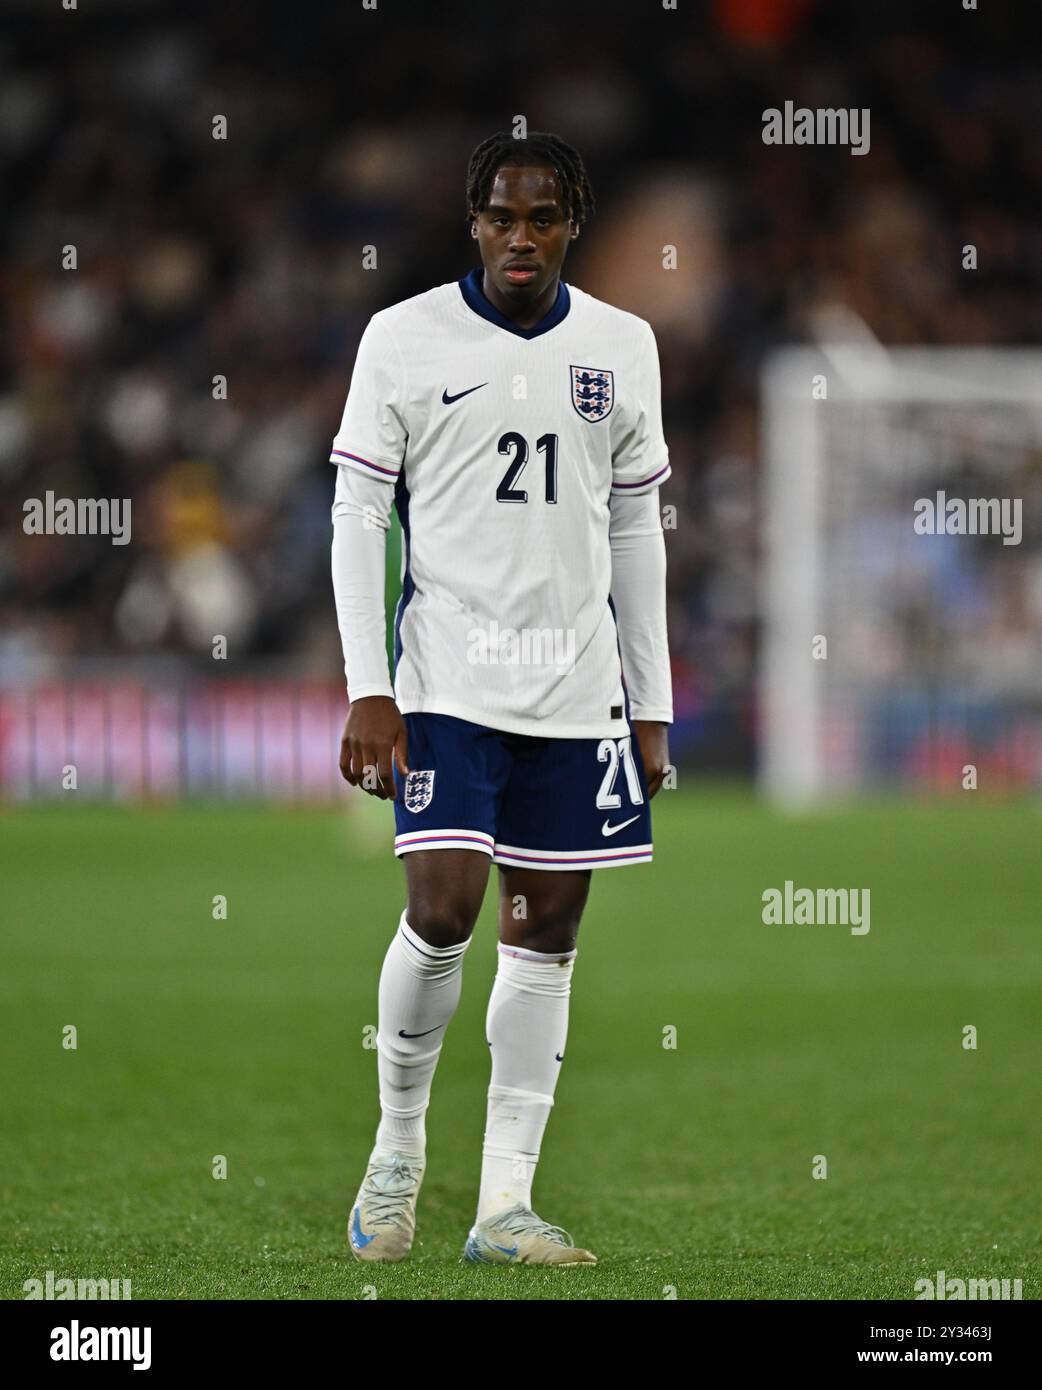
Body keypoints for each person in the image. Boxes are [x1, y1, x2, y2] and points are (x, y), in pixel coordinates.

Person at [330, 131, 672, 1266]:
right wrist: (368, 689)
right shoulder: (405, 337)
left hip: (578, 689)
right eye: (499, 217)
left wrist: (650, 698)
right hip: (447, 676)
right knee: (443, 907)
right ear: (469, 220)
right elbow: (357, 517)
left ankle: (503, 1206)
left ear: (575, 218)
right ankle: (398, 1152)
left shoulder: (623, 345)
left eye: (542, 217)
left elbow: (633, 525)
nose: (519, 238)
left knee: (549, 931)